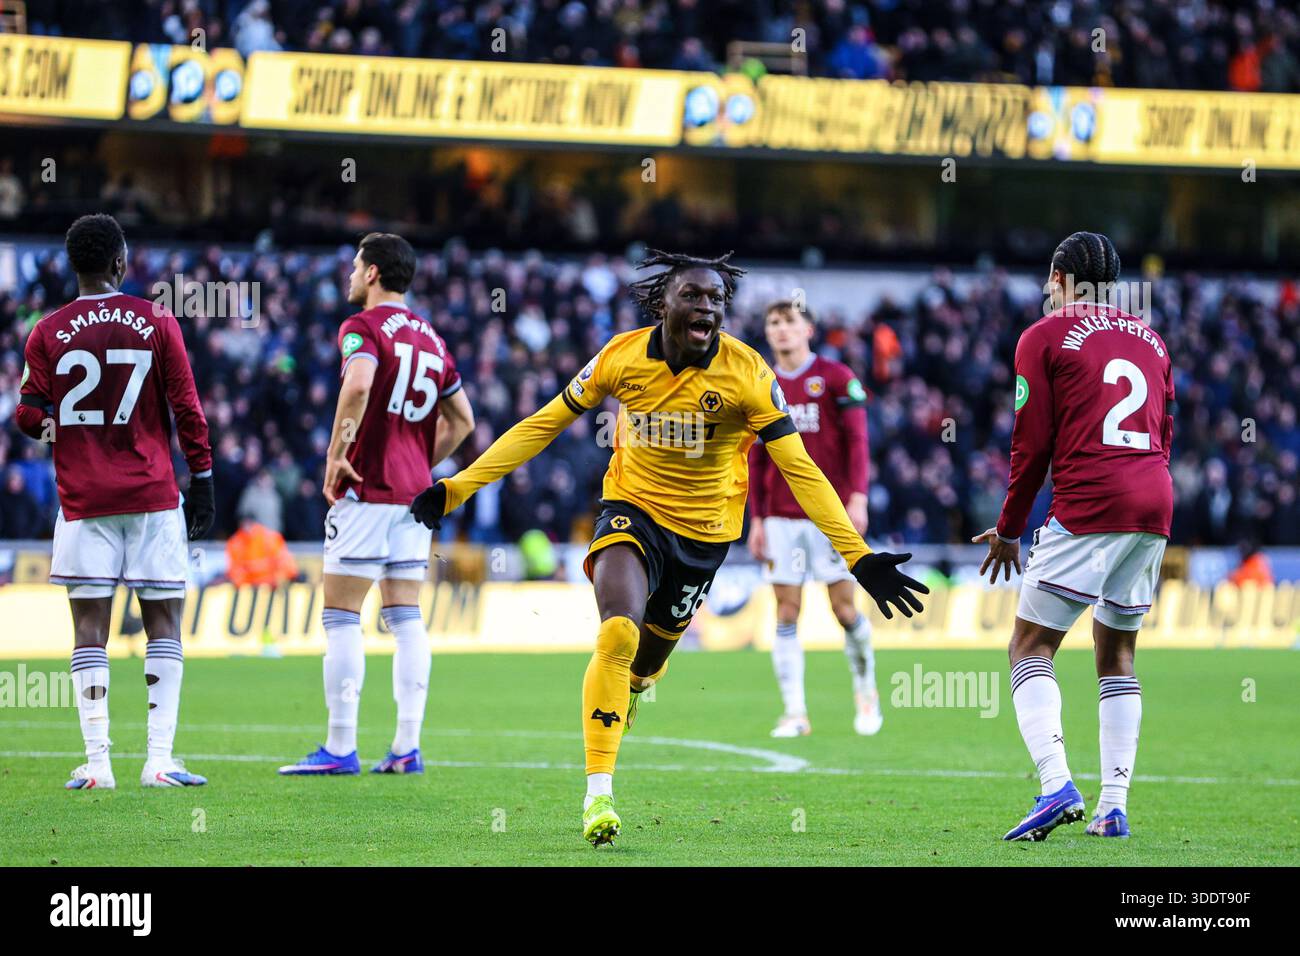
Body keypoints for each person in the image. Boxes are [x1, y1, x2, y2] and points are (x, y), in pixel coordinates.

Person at [411, 250, 929, 846]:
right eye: (693, 295)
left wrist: (857, 556)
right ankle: (598, 796)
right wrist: (457, 487)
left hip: (704, 536)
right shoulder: (620, 356)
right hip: (632, 511)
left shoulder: (749, 374)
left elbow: (801, 469)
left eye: (716, 299)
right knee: (617, 634)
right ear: (664, 303)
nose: (707, 306)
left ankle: (633, 687)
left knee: (644, 668)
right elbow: (542, 424)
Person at [974, 232, 1174, 841]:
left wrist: (1009, 529)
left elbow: (1030, 445)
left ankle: (1056, 783)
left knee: (1028, 648)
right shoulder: (1151, 337)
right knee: (1117, 655)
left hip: (1091, 503)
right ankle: (1114, 806)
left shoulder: (1042, 336)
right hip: (1154, 500)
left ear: (1059, 275)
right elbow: (1166, 424)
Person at [15, 213, 215, 790]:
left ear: (76, 266)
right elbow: (187, 409)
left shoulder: (47, 330)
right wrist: (202, 479)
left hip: (83, 501)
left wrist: (62, 429)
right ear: (120, 264)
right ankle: (159, 761)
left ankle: (98, 764)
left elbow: (27, 413)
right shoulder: (155, 319)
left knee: (89, 628)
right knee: (164, 621)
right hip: (152, 496)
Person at [279, 233, 475, 777]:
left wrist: (336, 454)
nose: (349, 276)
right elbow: (465, 421)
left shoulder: (362, 328)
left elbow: (359, 386)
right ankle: (406, 748)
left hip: (365, 489)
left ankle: (341, 748)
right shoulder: (433, 339)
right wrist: (418, 460)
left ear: (371, 274)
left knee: (341, 617)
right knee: (406, 617)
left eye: (354, 266)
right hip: (415, 498)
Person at [746, 301, 880, 737]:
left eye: (789, 322)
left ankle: (865, 693)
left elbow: (859, 442)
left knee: (844, 610)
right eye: (774, 322)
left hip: (831, 514)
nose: (782, 330)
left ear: (809, 329)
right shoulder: (760, 383)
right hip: (782, 518)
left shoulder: (838, 378)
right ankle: (795, 713)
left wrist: (858, 498)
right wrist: (758, 519)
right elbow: (756, 458)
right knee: (786, 611)